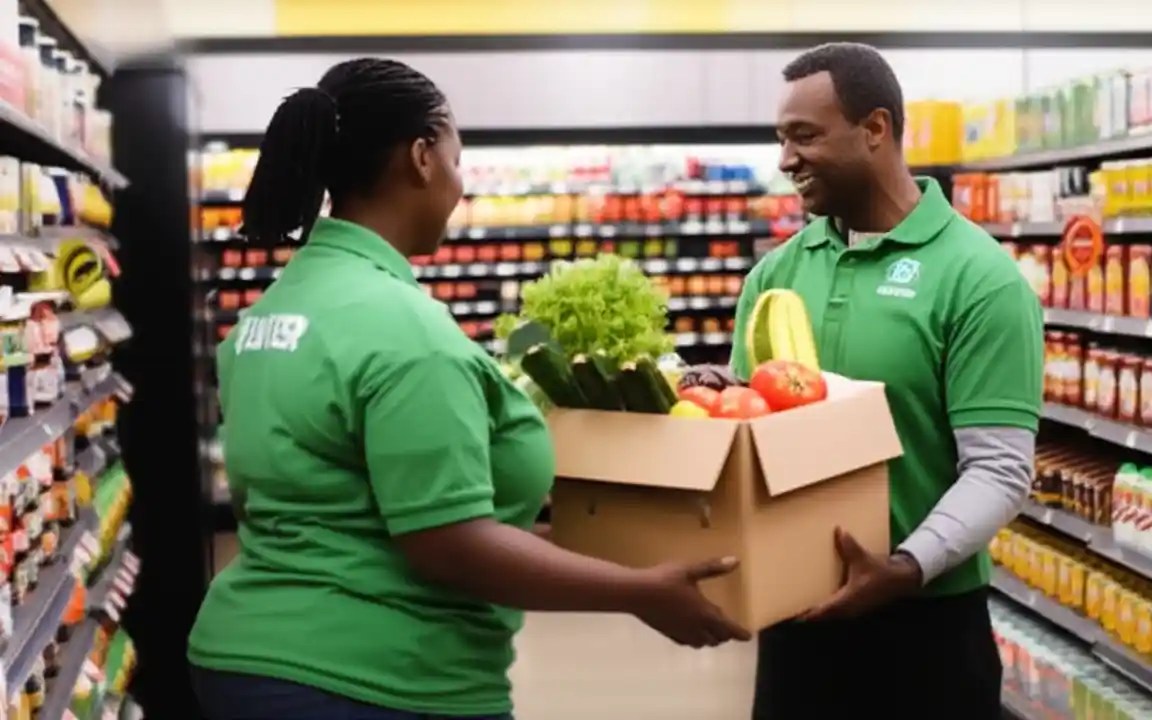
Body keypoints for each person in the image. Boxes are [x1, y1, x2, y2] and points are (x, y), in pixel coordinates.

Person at [186, 58, 750, 720]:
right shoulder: (405, 330)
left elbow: (350, 514)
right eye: (458, 156)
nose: (461, 182)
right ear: (423, 156)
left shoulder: (278, 308)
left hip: (246, 657)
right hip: (373, 680)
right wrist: (638, 589)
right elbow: (449, 541)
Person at [731, 43, 1043, 719]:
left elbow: (998, 468)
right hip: (796, 627)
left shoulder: (978, 278)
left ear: (875, 129)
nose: (786, 160)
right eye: (781, 139)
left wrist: (902, 568)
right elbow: (745, 434)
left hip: (926, 628)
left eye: (805, 136)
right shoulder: (775, 275)